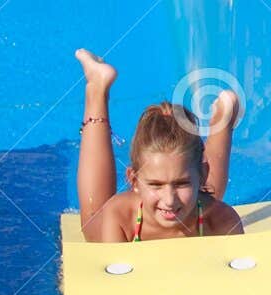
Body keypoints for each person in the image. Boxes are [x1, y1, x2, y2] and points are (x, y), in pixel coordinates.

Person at [75, 50, 244, 243]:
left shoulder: (222, 220)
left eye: (181, 184)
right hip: (133, 222)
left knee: (204, 192)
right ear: (134, 180)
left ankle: (222, 123)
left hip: (202, 203)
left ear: (205, 174)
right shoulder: (119, 217)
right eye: (156, 185)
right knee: (92, 225)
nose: (169, 200)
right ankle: (97, 87)